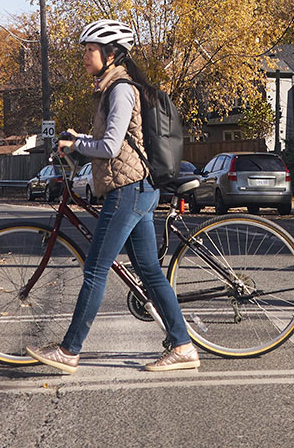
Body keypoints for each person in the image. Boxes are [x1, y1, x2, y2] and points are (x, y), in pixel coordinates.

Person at [25, 19, 199, 374]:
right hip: (136, 188)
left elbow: (110, 146)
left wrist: (77, 144)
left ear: (110, 53)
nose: (85, 56)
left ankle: (70, 350)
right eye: (85, 50)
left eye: (89, 50)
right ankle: (182, 346)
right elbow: (112, 139)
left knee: (95, 270)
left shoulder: (120, 88)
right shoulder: (111, 88)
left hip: (128, 190)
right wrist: (79, 137)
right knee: (149, 271)